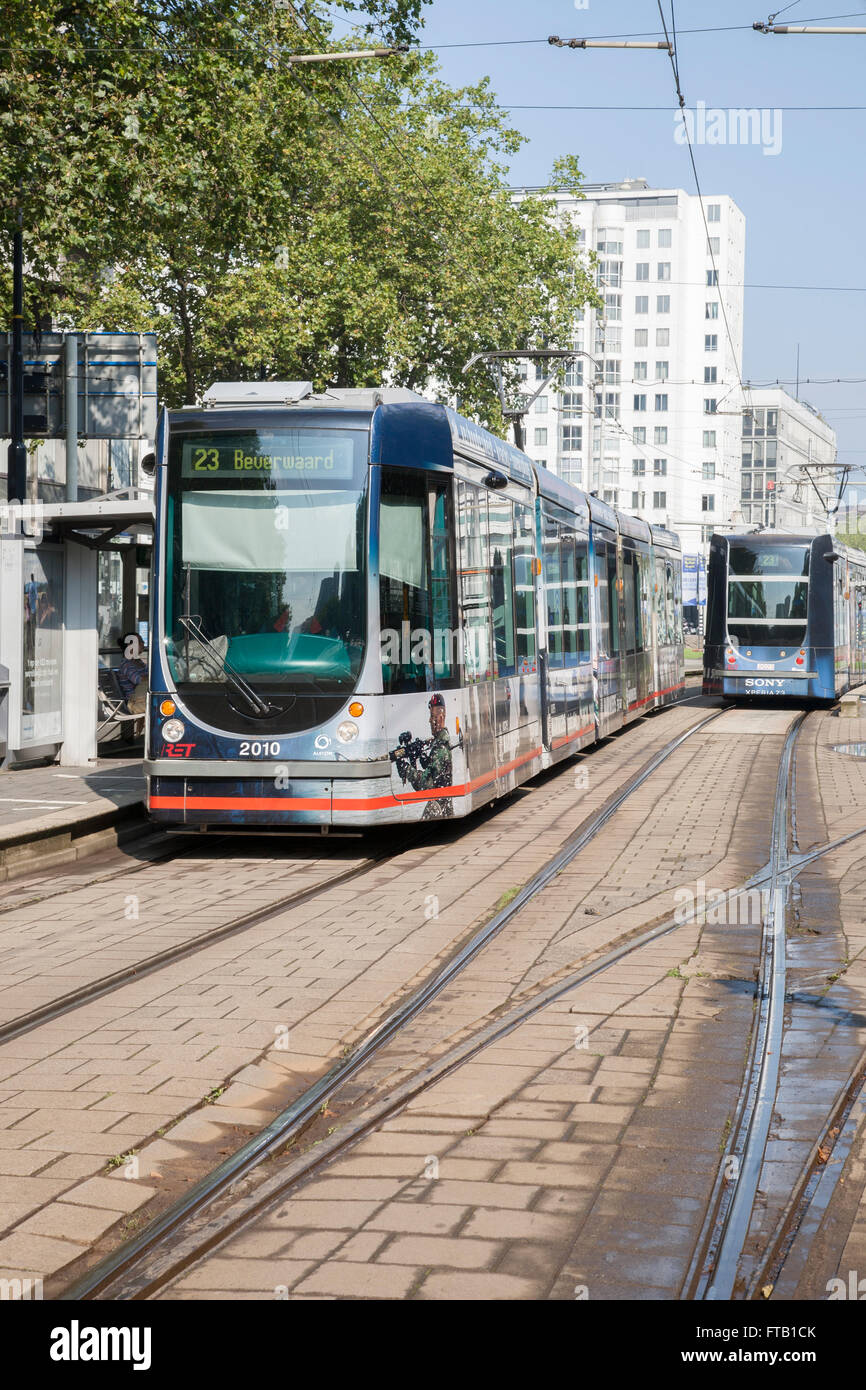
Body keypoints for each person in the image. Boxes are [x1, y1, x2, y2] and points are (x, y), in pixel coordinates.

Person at [393, 692, 454, 819]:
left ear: (441, 718)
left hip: (439, 808)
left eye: (433, 716)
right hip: (444, 807)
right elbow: (436, 771)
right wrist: (423, 758)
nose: (430, 720)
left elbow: (427, 785)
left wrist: (407, 770)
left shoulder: (440, 749)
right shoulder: (440, 744)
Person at [117, 632, 147, 709]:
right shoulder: (126, 664)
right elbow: (139, 680)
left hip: (142, 698)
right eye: (140, 641)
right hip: (134, 703)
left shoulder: (138, 662)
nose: (143, 643)